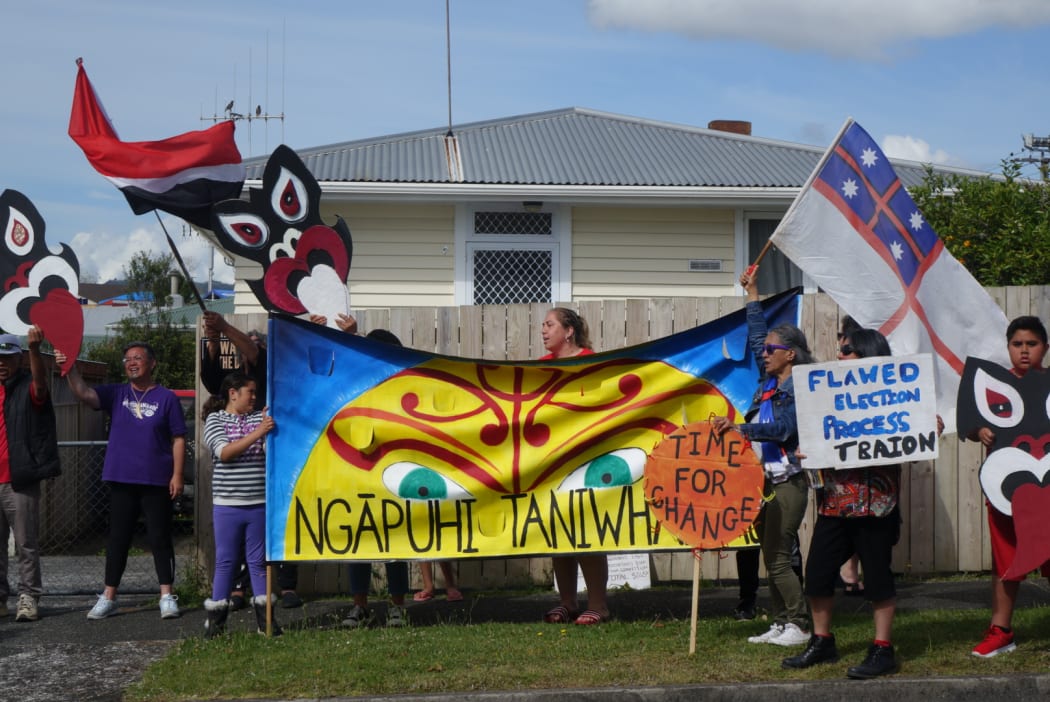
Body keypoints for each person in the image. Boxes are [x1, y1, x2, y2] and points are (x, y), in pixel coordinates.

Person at [781, 328, 904, 678]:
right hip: (835, 503)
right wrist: (807, 451)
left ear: (867, 355)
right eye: (840, 350)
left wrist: (928, 424)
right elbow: (816, 435)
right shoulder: (827, 395)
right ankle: (823, 642)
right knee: (818, 574)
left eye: (847, 350)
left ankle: (883, 649)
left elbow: (913, 428)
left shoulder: (893, 396)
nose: (840, 356)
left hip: (876, 504)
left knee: (878, 578)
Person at [712, 271, 813, 647]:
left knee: (779, 556)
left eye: (772, 350)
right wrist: (753, 293)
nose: (764, 354)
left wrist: (741, 429)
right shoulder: (768, 383)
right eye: (765, 351)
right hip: (766, 482)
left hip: (789, 482)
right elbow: (757, 335)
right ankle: (781, 621)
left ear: (791, 353)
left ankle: (800, 625)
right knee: (771, 556)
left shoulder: (798, 387)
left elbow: (785, 430)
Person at [56, 341, 186, 620]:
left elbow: (178, 438)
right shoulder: (116, 393)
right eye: (127, 359)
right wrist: (68, 367)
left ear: (152, 363)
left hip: (156, 479)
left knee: (160, 537)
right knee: (118, 539)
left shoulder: (167, 398)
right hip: (121, 477)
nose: (131, 362)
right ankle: (109, 596)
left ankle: (166, 595)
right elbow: (83, 393)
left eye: (137, 358)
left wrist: (176, 474)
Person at [201, 312, 301, 610]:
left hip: (270, 465)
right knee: (233, 549)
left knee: (275, 528)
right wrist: (216, 337)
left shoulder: (266, 370)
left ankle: (286, 586)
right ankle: (238, 590)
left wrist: (224, 327)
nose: (249, 347)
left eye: (254, 343)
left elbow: (253, 351)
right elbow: (210, 373)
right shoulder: (228, 397)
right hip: (232, 491)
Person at [968, 315, 1050, 658]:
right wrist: (979, 431)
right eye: (1017, 344)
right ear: (1008, 348)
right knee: (1006, 559)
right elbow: (971, 422)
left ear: (1044, 347)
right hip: (1007, 492)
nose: (1025, 350)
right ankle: (1001, 630)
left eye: (1031, 343)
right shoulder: (995, 385)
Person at [334, 328, 411, 628]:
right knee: (359, 542)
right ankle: (360, 606)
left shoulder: (402, 384)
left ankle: (397, 606)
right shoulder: (355, 383)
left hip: (391, 473)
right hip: (359, 472)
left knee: (395, 542)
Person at [538, 307, 609, 626]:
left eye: (549, 324)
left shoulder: (590, 363)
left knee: (585, 530)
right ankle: (567, 601)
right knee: (559, 531)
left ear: (569, 331)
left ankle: (599, 604)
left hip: (585, 460)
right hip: (550, 461)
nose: (543, 330)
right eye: (543, 325)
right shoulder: (538, 369)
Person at [201, 371, 279, 637]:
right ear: (233, 394)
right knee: (226, 561)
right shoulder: (215, 419)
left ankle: (266, 622)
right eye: (250, 393)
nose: (254, 398)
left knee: (258, 562)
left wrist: (268, 428)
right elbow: (225, 453)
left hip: (258, 502)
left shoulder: (260, 418)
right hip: (227, 503)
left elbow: (271, 451)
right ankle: (216, 624)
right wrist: (259, 432)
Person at [0, 328, 60, 622]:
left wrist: (36, 350)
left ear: (19, 359)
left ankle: (28, 597)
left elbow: (40, 387)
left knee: (25, 542)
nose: (2, 363)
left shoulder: (26, 386)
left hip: (19, 477)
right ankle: (1, 599)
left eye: (8, 357)